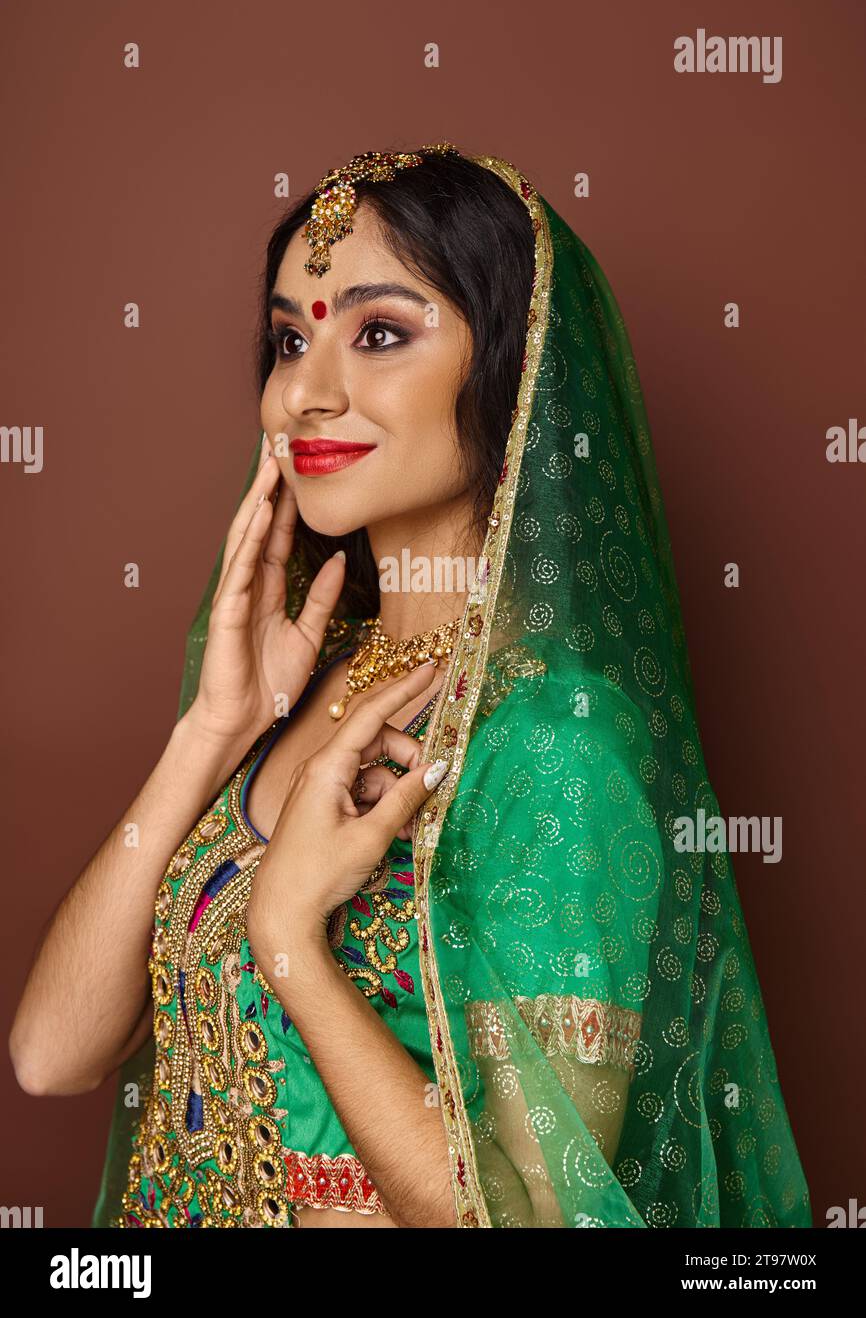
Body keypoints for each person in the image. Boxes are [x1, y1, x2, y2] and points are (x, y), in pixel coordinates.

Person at [10, 143, 812, 1229]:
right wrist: (210, 729)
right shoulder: (303, 686)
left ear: (509, 367)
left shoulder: (555, 742)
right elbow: (51, 1054)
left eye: (378, 333)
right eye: (290, 338)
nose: (304, 391)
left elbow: (536, 1217)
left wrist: (290, 936)